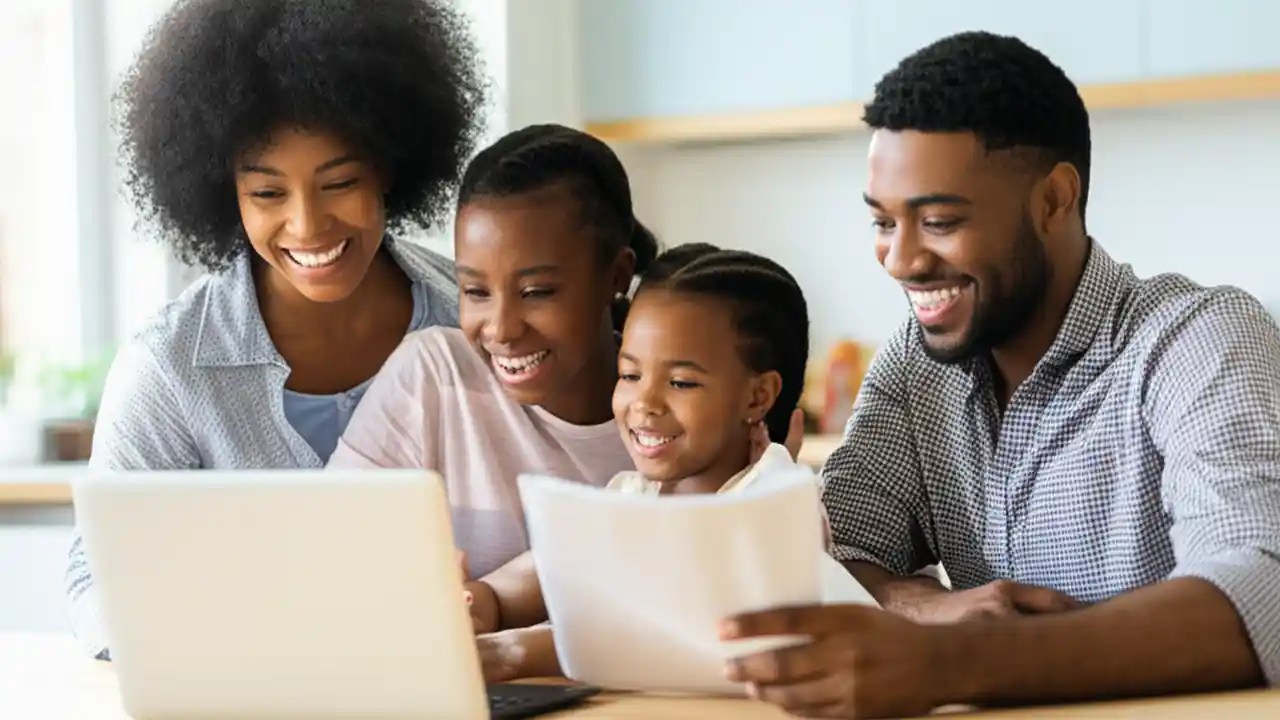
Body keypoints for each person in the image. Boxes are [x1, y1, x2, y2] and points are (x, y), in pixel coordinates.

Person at [718, 30, 1280, 718]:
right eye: (883, 223)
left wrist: (951, 662)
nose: (900, 259)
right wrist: (921, 607)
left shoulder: (1196, 339)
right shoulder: (914, 364)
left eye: (940, 220)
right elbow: (841, 555)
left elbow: (1263, 587)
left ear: (1053, 202)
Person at [65, 0, 485, 658]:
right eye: (267, 193)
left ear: (390, 168)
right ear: (223, 193)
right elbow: (95, 583)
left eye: (339, 182)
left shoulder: (475, 322)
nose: (308, 225)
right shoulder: (171, 367)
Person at [478, 243, 867, 681]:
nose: (643, 403)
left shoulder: (774, 496)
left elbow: (695, 628)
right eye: (629, 375)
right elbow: (543, 568)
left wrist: (517, 650)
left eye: (681, 382)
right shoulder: (630, 497)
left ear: (757, 397)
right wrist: (482, 599)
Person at [327, 123, 654, 600]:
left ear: (617, 276)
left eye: (536, 292)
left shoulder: (666, 417)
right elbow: (331, 554)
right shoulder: (433, 376)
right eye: (476, 291)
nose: (500, 328)